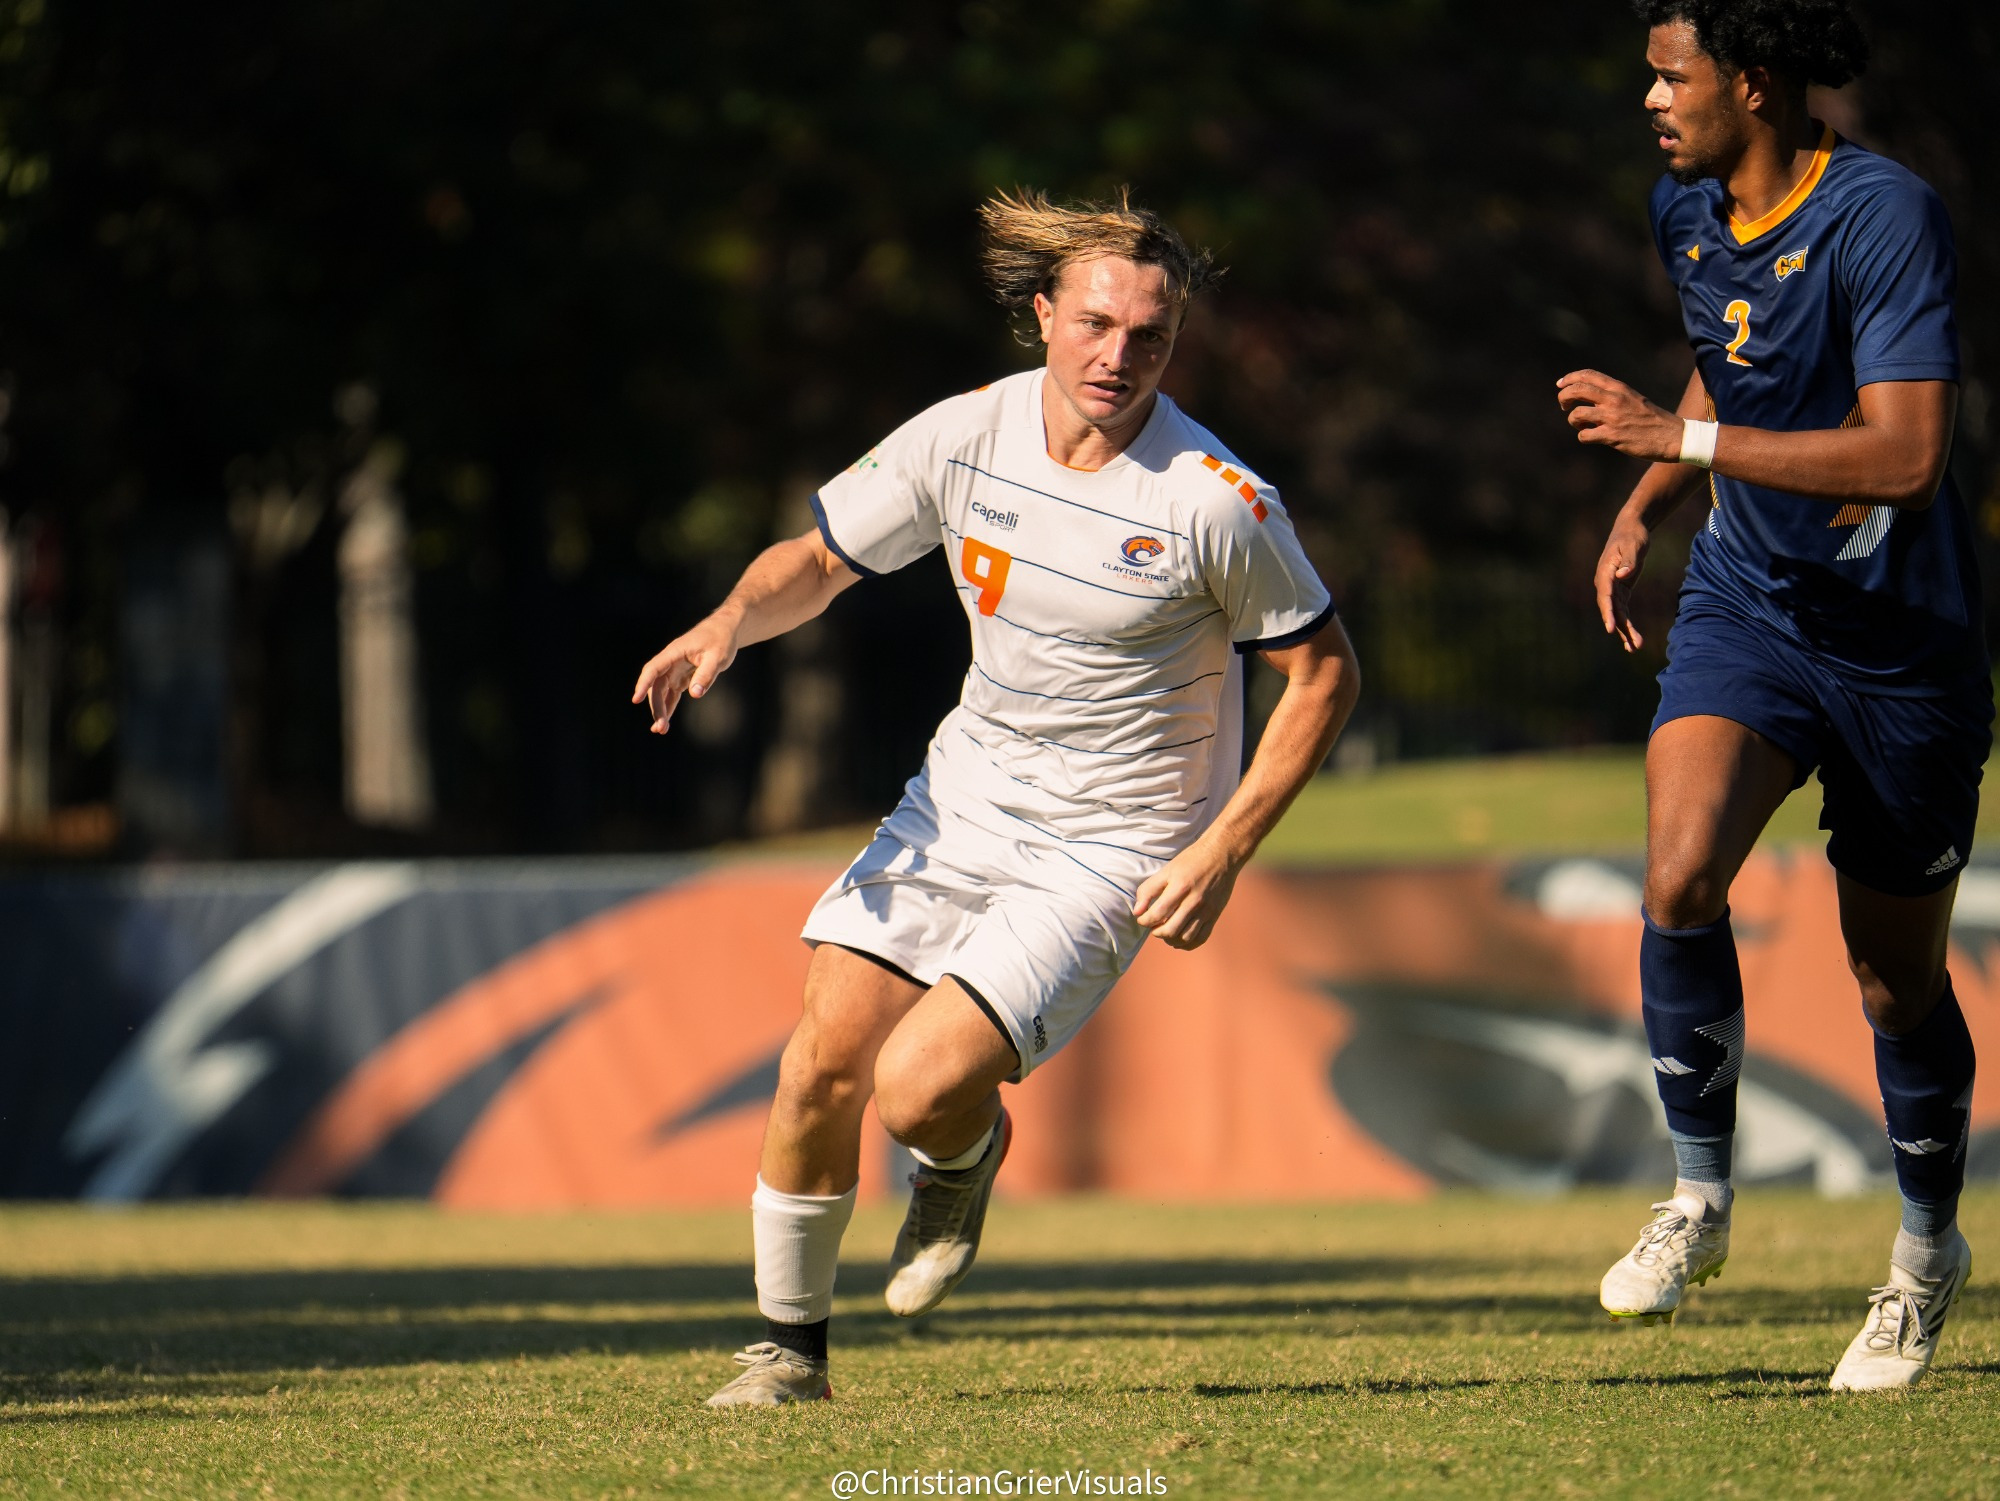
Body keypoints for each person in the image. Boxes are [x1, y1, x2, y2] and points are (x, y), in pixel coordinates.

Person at [633, 189, 1359, 1406]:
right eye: (1094, 324)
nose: (1117, 356)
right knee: (819, 1062)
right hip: (957, 805)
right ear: (1042, 317)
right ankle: (786, 1356)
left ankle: (959, 1157)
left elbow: (1324, 674)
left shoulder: (1213, 501)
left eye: (1148, 336)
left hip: (1109, 846)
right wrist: (726, 624)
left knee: (916, 1087)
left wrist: (1225, 846)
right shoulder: (964, 434)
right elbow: (819, 559)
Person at [1559, 0, 1986, 1391]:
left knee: (1893, 978)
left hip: (1903, 650)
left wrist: (1675, 435)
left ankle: (1923, 1261)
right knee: (1679, 873)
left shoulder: (1885, 215)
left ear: (1749, 82)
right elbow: (1736, 354)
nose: (1649, 100)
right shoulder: (1685, 208)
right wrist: (1649, 497)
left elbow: (1906, 455)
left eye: (1668, 76)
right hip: (1752, 603)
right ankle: (1701, 1199)